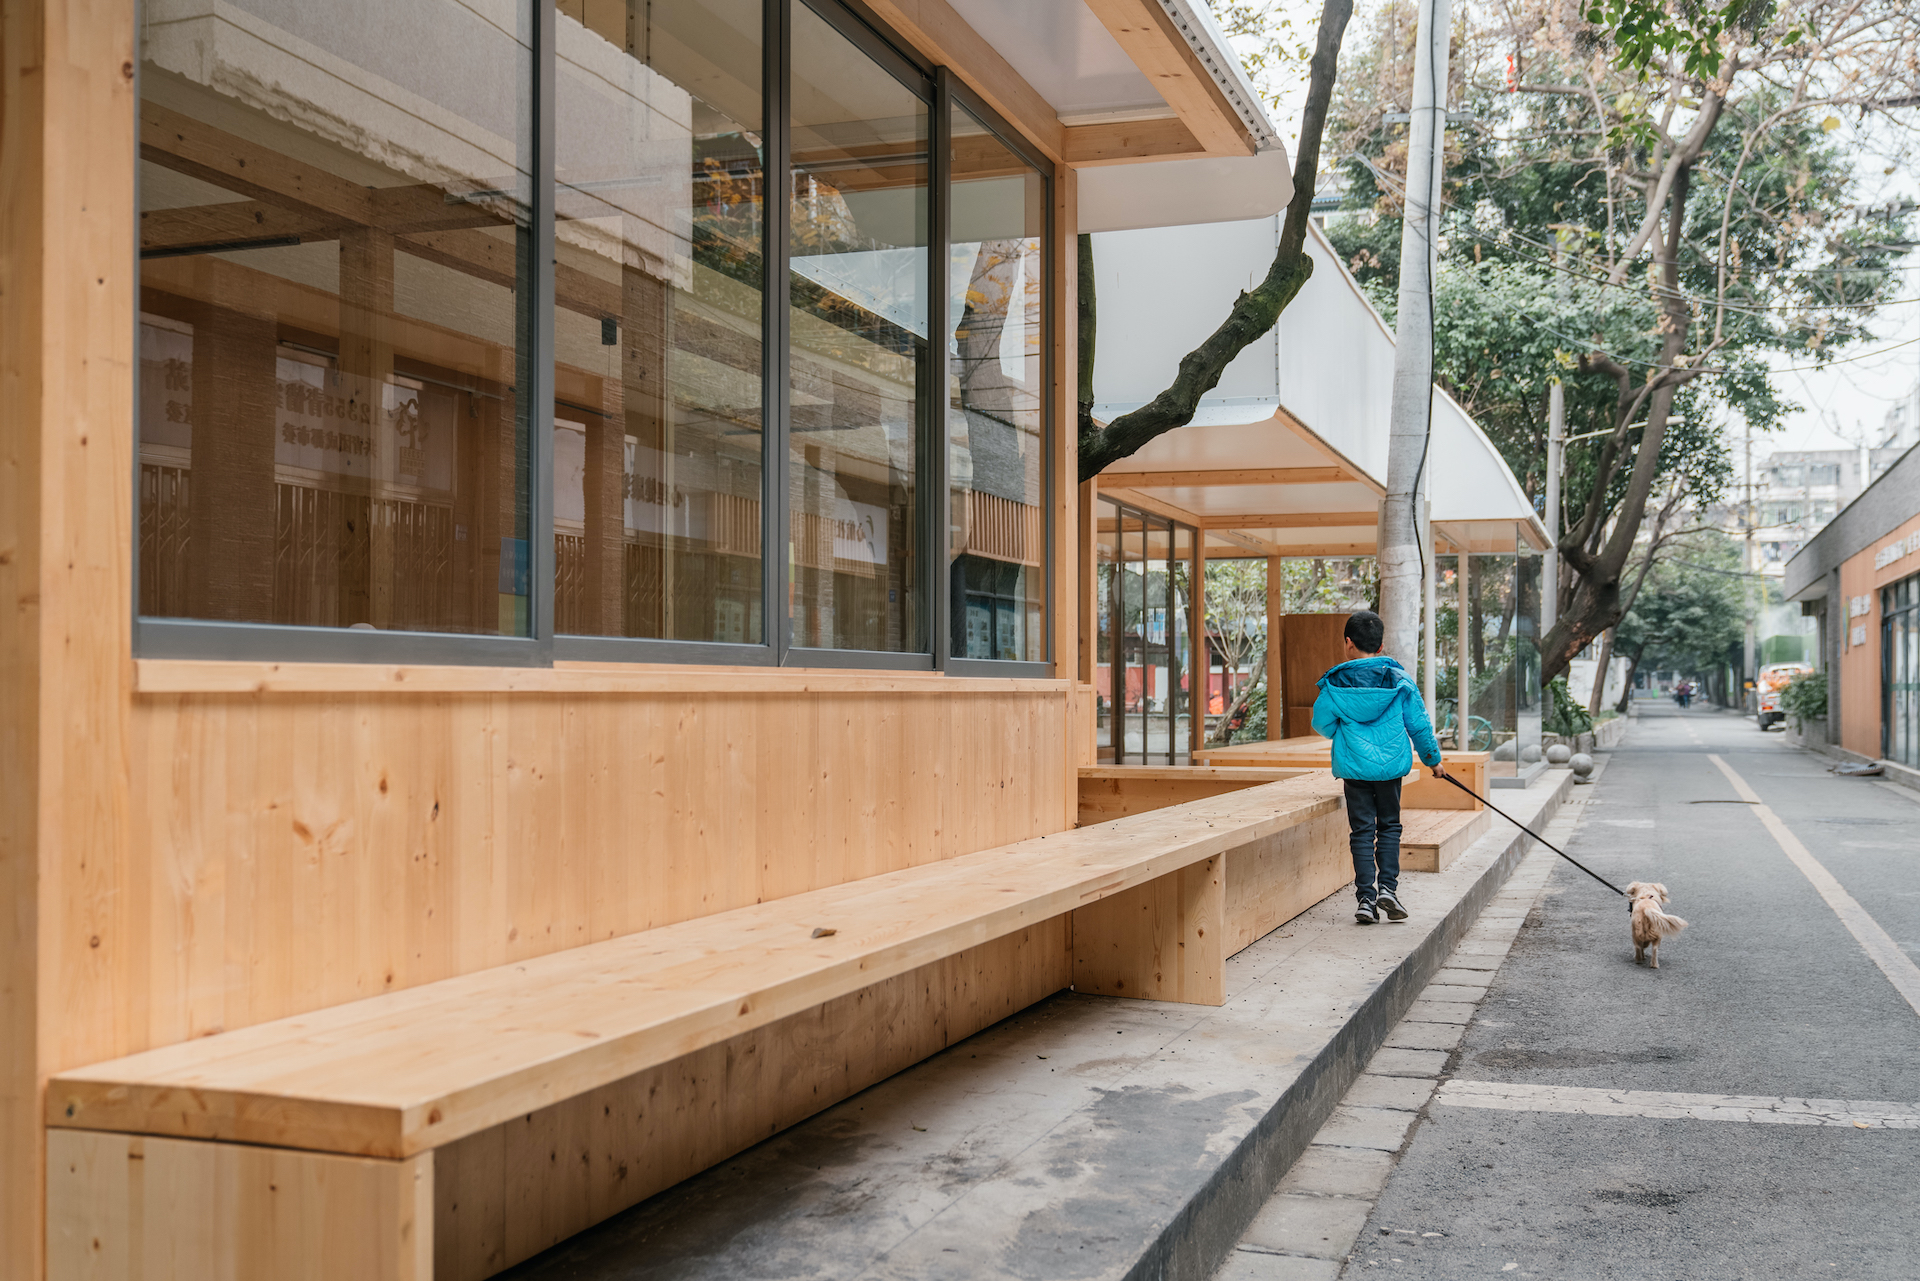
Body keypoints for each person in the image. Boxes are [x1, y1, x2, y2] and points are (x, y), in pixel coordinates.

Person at [1311, 610, 1448, 926]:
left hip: (1354, 769)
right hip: (1389, 769)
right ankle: (1388, 889)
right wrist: (1433, 761)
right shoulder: (1400, 682)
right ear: (1381, 645)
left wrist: (1343, 733)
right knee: (1389, 826)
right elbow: (1419, 725)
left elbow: (1321, 723)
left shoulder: (1334, 684)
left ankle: (1365, 900)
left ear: (1348, 643)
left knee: (1362, 830)